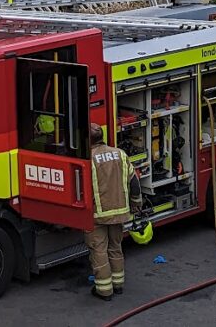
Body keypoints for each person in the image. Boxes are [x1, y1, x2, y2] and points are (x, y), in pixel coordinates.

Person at [86, 122, 142, 301]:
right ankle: (118, 285)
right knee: (116, 247)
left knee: (99, 250)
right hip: (119, 212)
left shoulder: (89, 159)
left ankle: (104, 291)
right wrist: (136, 203)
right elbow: (134, 181)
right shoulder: (120, 154)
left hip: (97, 215)